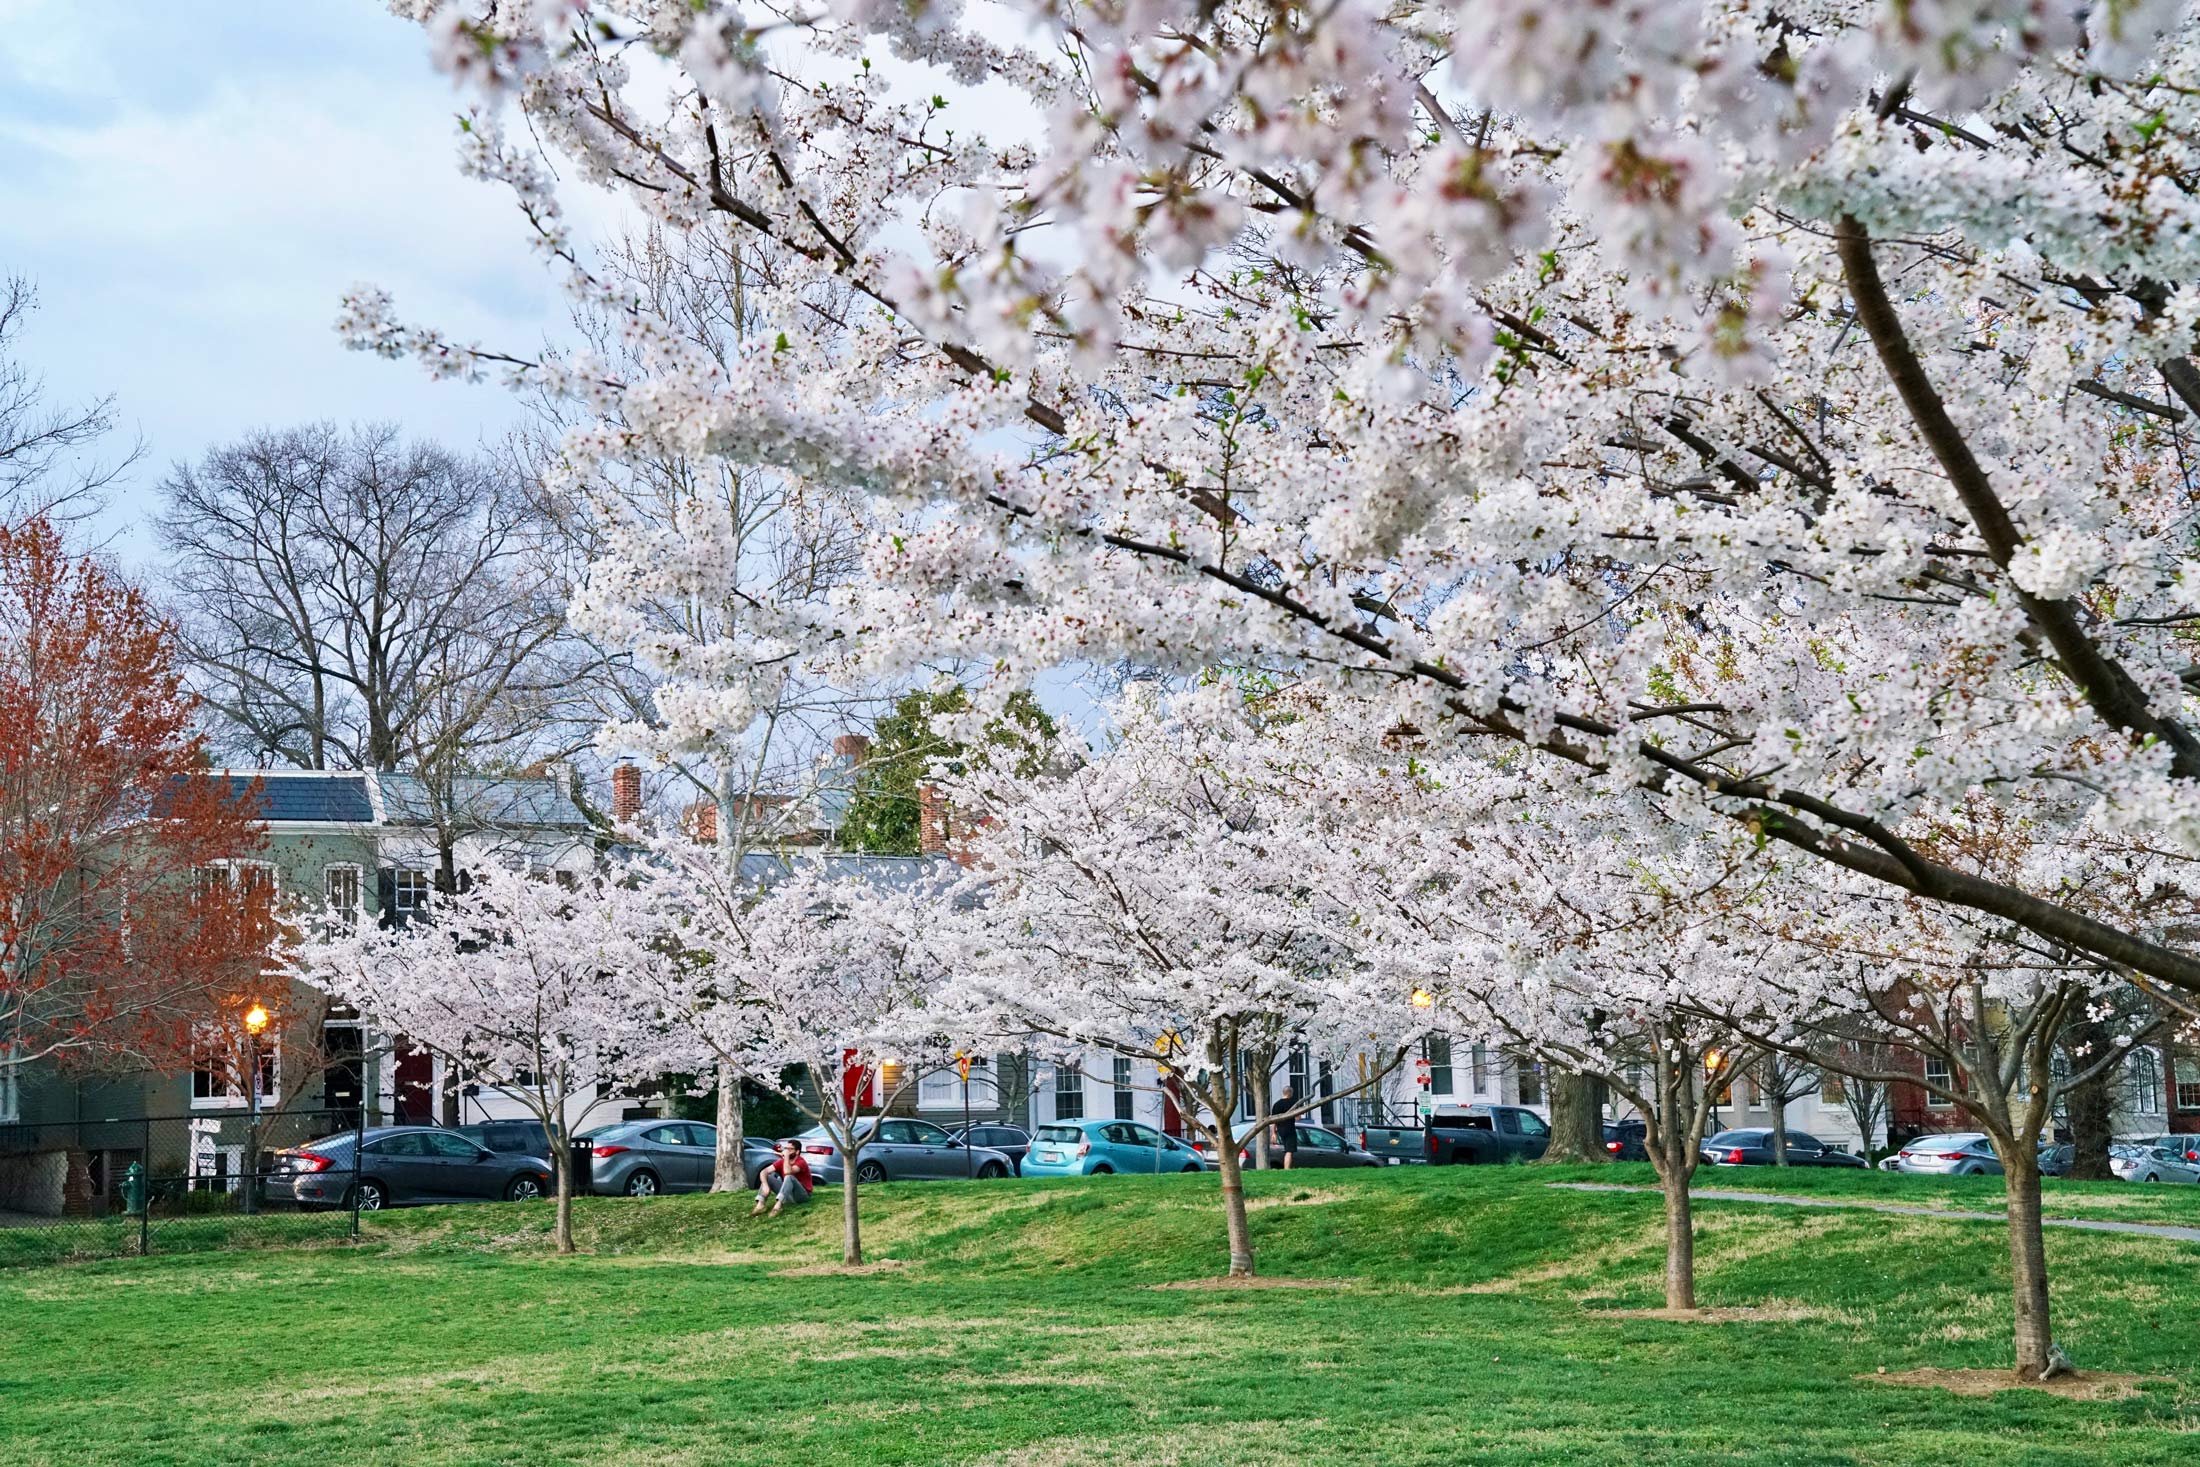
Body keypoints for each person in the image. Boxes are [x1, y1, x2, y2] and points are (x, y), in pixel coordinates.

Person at [753, 1139, 812, 1216]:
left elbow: (788, 1172)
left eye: (790, 1149)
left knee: (789, 1177)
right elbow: (764, 1171)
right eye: (786, 1148)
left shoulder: (801, 1162)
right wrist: (765, 1184)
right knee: (768, 1177)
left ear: (797, 1152)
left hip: (802, 1196)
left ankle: (778, 1206)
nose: (787, 1151)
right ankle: (760, 1205)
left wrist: (786, 1156)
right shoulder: (782, 1161)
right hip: (788, 1195)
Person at [1273, 1084, 1298, 1171]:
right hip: (1290, 1129)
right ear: (1290, 1093)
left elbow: (1273, 1120)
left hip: (1280, 1130)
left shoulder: (1276, 1104)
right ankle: (1287, 1169)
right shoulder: (1293, 1104)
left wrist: (1273, 1133)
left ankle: (1288, 1167)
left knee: (1286, 1148)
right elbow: (1298, 1118)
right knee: (1289, 1151)